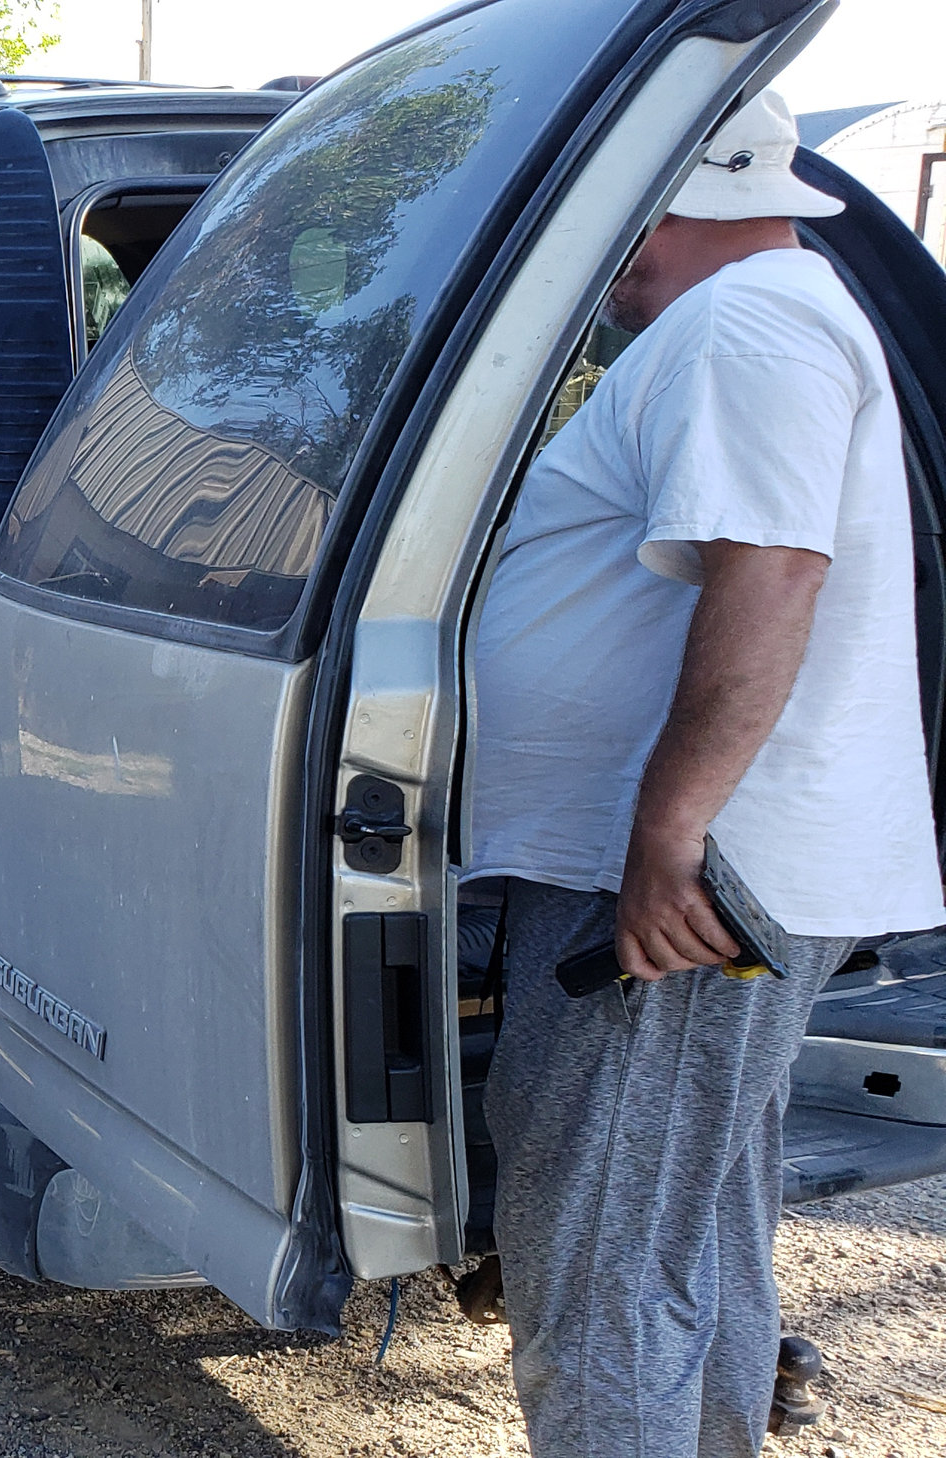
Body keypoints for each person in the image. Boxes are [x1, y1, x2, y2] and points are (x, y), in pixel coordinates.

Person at [469, 90, 946, 1457]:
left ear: (659, 201)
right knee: (689, 1222)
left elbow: (773, 569)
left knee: (601, 1255)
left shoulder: (748, 321)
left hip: (686, 883)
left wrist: (671, 831)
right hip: (707, 868)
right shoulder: (768, 317)